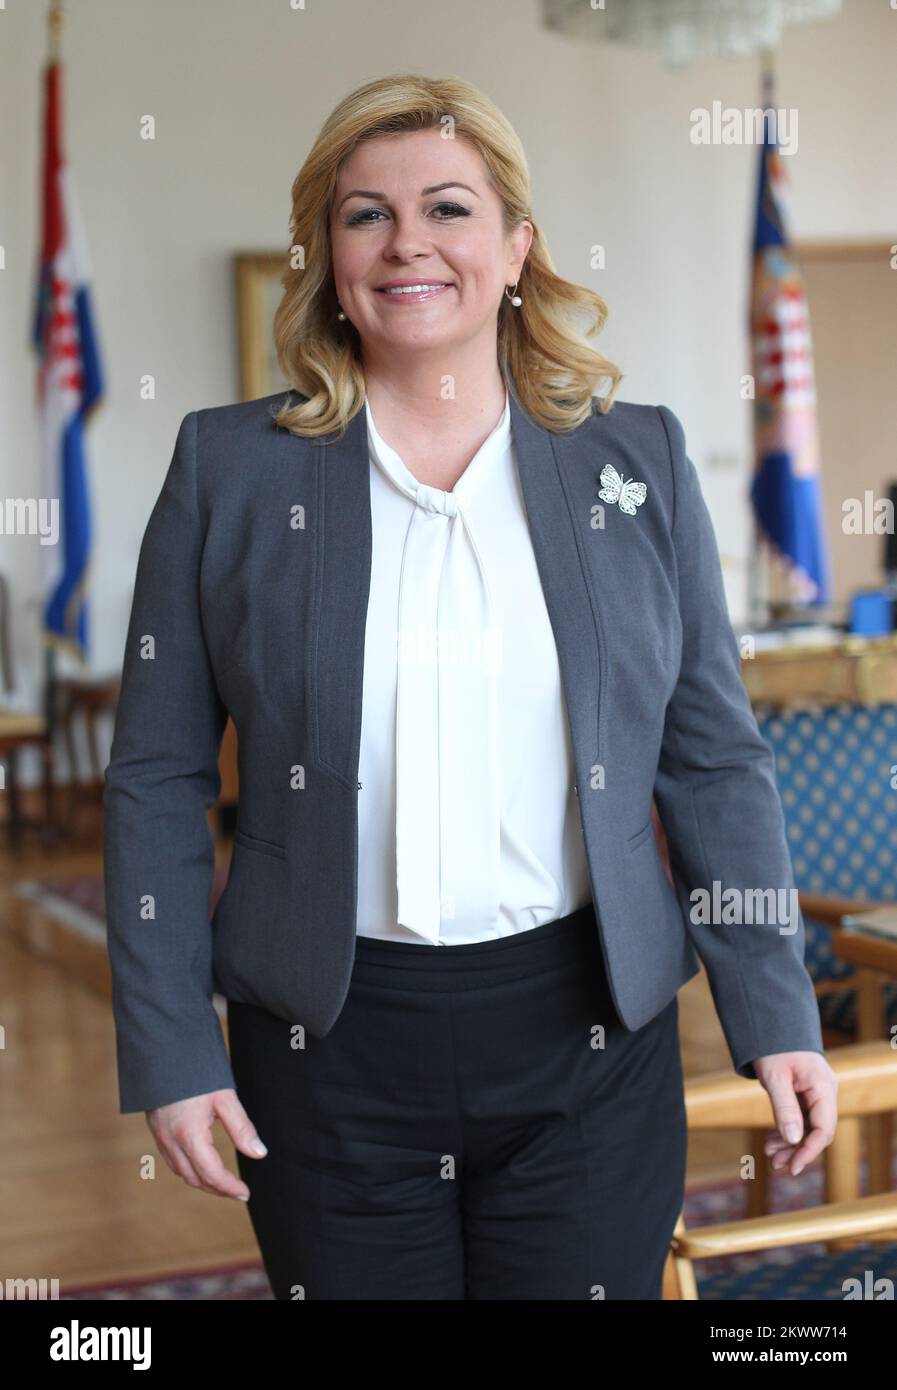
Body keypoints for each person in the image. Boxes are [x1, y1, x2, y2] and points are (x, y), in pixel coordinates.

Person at [104, 73, 837, 1301]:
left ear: (515, 248)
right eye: (364, 216)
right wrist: (172, 1046)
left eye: (448, 207)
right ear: (329, 253)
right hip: (327, 1049)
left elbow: (713, 759)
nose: (407, 246)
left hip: (589, 1042)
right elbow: (157, 778)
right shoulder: (227, 470)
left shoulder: (636, 459)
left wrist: (775, 1009)